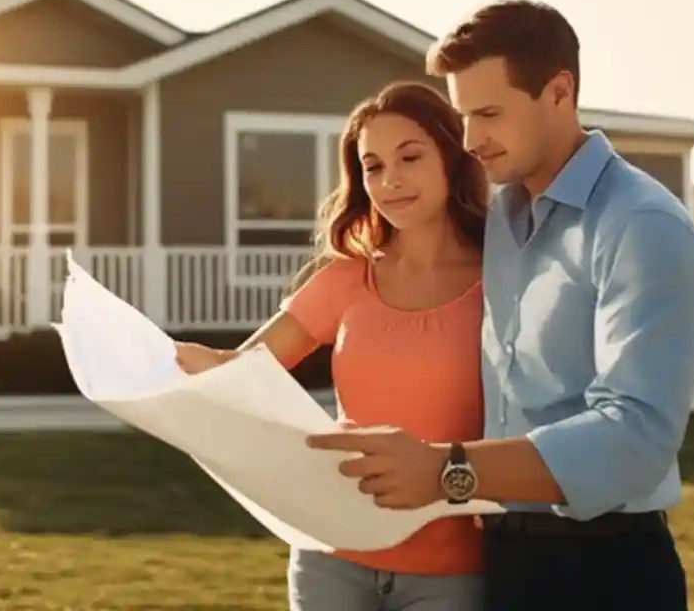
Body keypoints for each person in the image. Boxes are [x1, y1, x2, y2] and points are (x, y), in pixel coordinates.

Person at [305, 0, 694, 611]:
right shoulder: (506, 214)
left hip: (603, 571)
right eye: (462, 116)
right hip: (506, 561)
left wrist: (445, 468)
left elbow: (635, 439)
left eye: (490, 114)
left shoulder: (643, 228)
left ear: (559, 92)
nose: (470, 140)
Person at [175, 80, 491, 611]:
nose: (390, 181)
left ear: (452, 159)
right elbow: (246, 372)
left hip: (452, 568)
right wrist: (158, 359)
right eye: (373, 166)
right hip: (331, 556)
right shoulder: (345, 280)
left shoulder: (503, 281)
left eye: (409, 157)